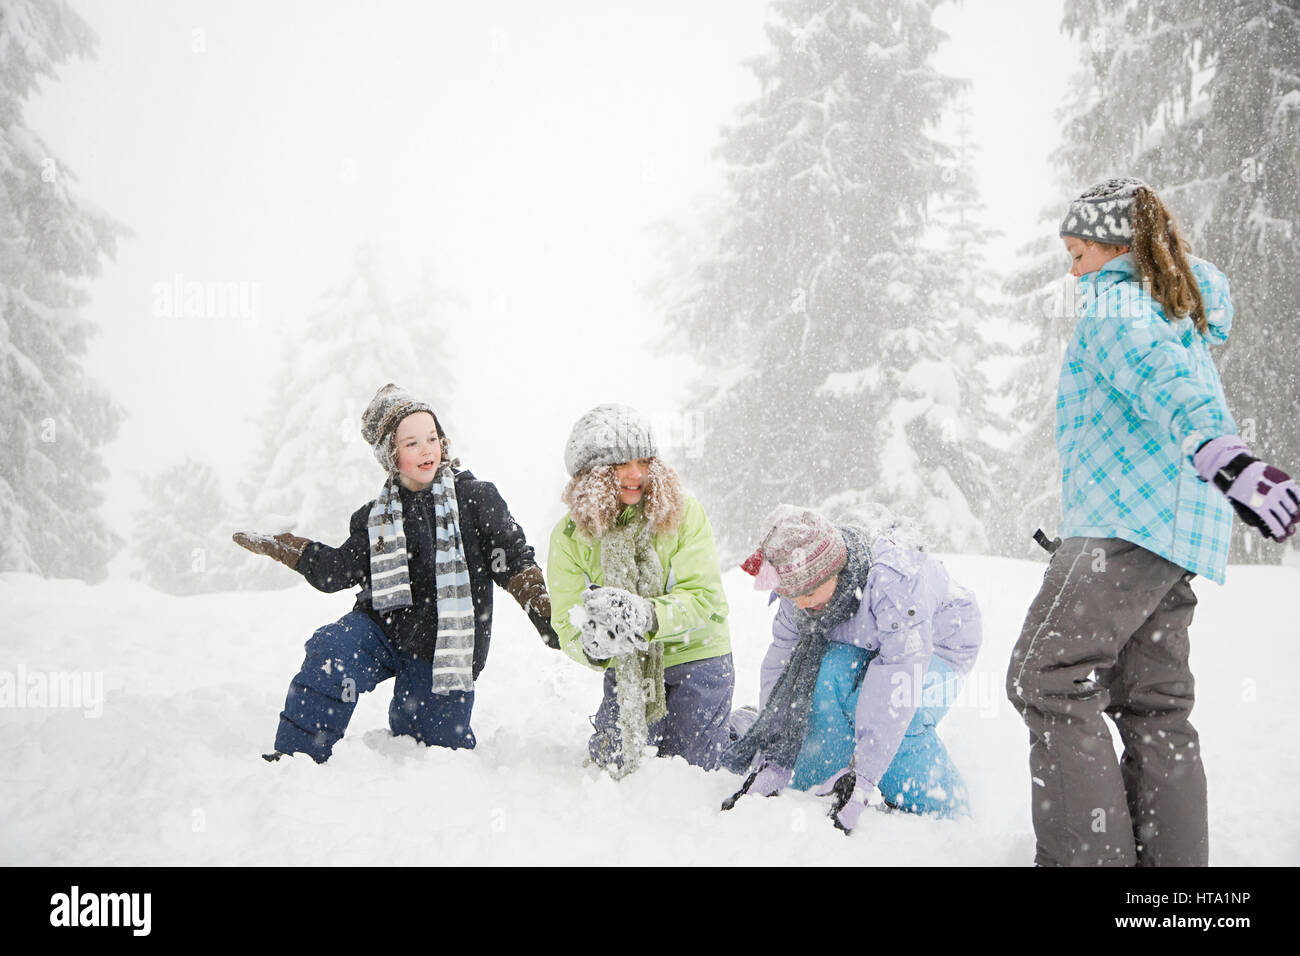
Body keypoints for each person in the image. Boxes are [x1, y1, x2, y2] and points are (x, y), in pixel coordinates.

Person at [1006, 178, 1300, 866]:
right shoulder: (1172, 310)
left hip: (1119, 532)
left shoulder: (1120, 310)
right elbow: (1172, 378)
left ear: (1116, 249)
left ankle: (1092, 859)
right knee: (1154, 704)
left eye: (1078, 256)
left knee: (1046, 678)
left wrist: (1224, 454)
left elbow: (1167, 385)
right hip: (1171, 541)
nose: (1072, 272)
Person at [233, 384, 559, 763]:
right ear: (391, 454)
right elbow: (335, 572)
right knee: (332, 652)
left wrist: (542, 609)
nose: (426, 450)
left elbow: (513, 561)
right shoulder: (377, 517)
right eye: (411, 443)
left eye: (432, 438)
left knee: (430, 750)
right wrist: (288, 547)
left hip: (443, 653)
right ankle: (295, 760)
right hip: (382, 630)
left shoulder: (477, 500)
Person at [721, 506, 982, 834]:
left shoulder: (894, 585)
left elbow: (898, 682)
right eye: (793, 595)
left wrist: (865, 776)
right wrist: (774, 758)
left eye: (810, 593)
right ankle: (817, 784)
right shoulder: (799, 588)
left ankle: (937, 806)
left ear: (834, 571)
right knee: (824, 676)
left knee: (904, 712)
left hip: (937, 644)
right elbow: (782, 671)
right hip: (867, 640)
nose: (801, 604)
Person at [546, 404, 734, 773]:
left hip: (698, 656)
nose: (637, 475)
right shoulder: (569, 538)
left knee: (693, 771)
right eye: (620, 465)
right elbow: (567, 622)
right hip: (629, 666)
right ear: (591, 475)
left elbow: (705, 599)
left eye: (645, 461)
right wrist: (593, 647)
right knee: (614, 767)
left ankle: (735, 727)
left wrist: (645, 616)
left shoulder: (683, 513)